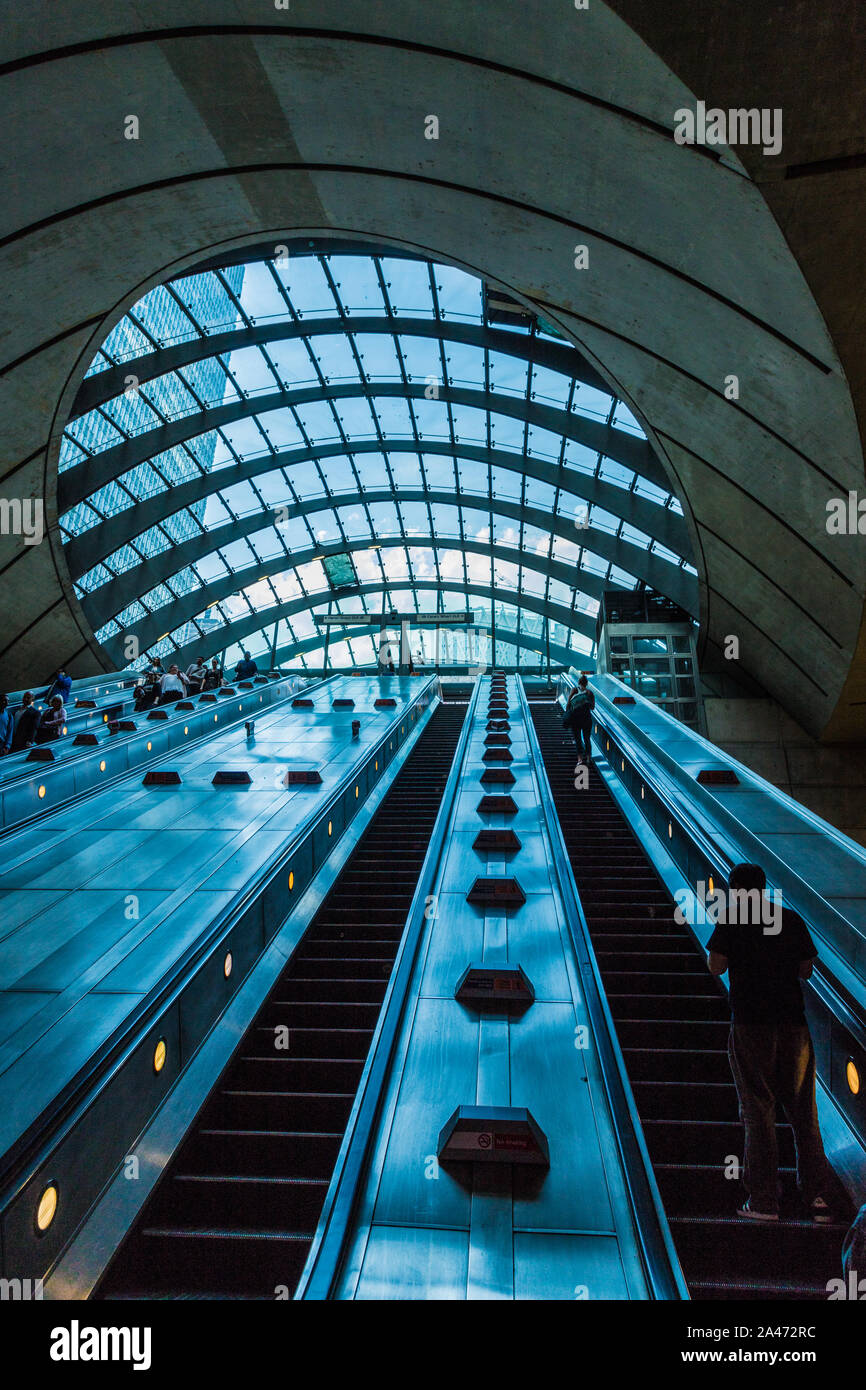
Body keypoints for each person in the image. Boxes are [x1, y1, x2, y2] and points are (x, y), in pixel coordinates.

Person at [707, 862, 833, 1223]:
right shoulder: (789, 919)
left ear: (734, 890)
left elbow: (716, 966)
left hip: (751, 1024)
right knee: (804, 1112)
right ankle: (818, 1197)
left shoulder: (731, 920)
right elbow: (806, 969)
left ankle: (763, 1201)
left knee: (758, 1110)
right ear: (763, 889)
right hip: (793, 1025)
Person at [562, 674, 595, 763]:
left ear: (579, 682)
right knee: (587, 739)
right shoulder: (590, 693)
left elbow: (568, 703)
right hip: (587, 719)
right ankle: (588, 758)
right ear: (586, 683)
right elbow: (592, 707)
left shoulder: (575, 690)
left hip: (575, 719)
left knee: (578, 739)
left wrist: (567, 713)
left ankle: (580, 759)